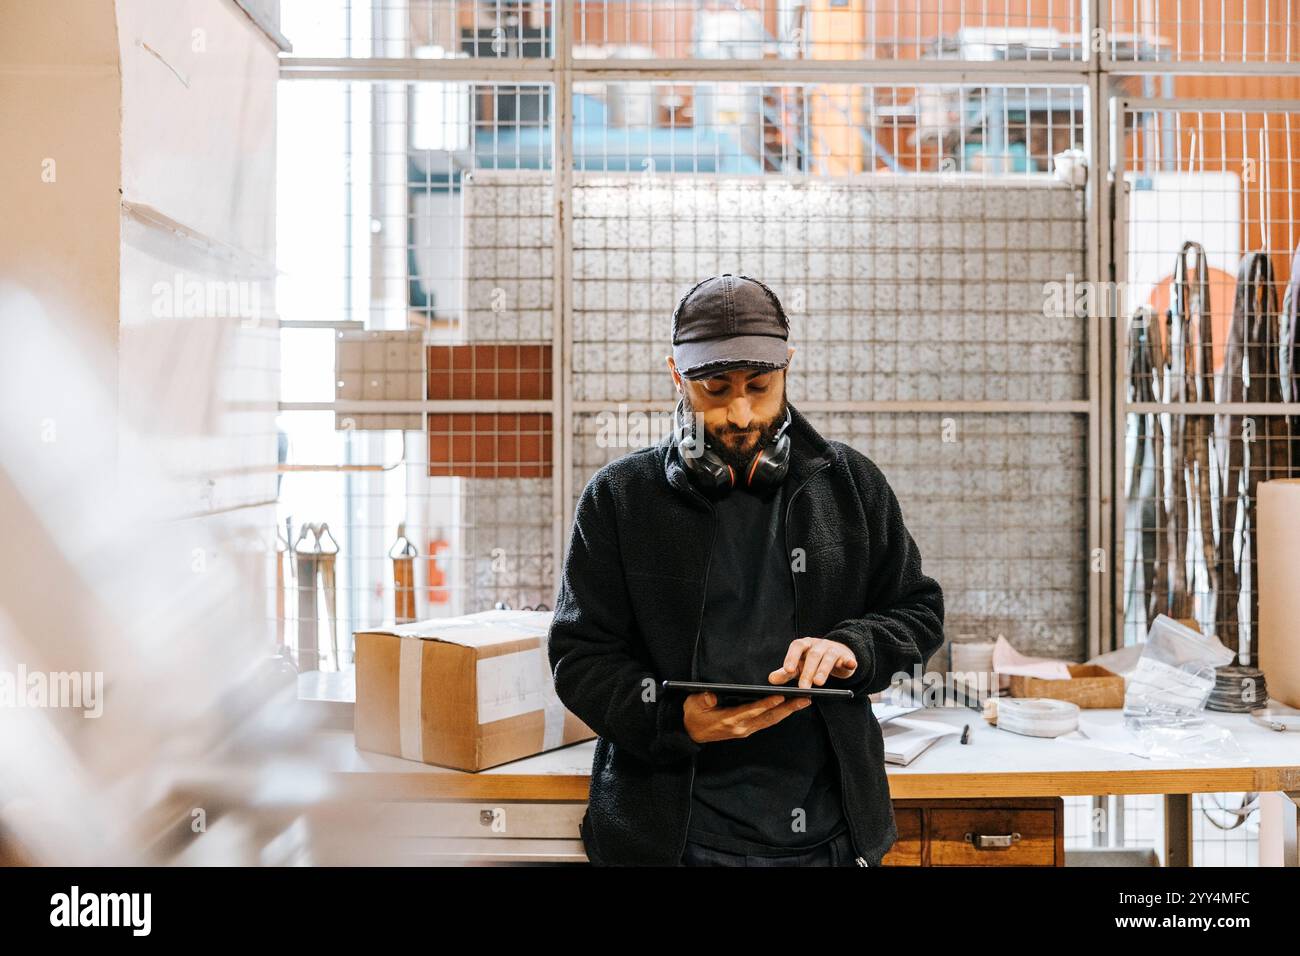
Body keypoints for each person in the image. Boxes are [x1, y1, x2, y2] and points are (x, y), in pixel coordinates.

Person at [548, 273, 945, 866]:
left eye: (760, 386)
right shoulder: (619, 499)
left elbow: (918, 611)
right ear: (677, 377)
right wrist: (671, 719)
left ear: (788, 366)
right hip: (671, 841)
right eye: (715, 389)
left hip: (829, 838)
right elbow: (580, 657)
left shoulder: (853, 487)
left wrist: (852, 648)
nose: (740, 413)